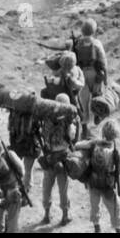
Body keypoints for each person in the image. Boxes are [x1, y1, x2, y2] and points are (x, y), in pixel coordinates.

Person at [38, 93, 78, 227]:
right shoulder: (68, 120)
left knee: (46, 188)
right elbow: (72, 137)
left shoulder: (46, 117)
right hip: (62, 158)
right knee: (63, 189)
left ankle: (46, 215)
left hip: (49, 157)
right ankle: (65, 216)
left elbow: (42, 133)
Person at [85, 119, 120, 233]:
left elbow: (78, 145)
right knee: (116, 209)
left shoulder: (94, 145)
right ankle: (119, 230)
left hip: (93, 182)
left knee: (95, 207)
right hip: (107, 186)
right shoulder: (115, 152)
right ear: (115, 135)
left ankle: (97, 229)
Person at [72, 19, 107, 130]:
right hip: (95, 73)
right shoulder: (97, 44)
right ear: (94, 31)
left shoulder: (77, 43)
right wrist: (105, 78)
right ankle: (97, 116)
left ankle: (85, 128)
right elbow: (103, 62)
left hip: (81, 74)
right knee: (97, 96)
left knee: (83, 102)